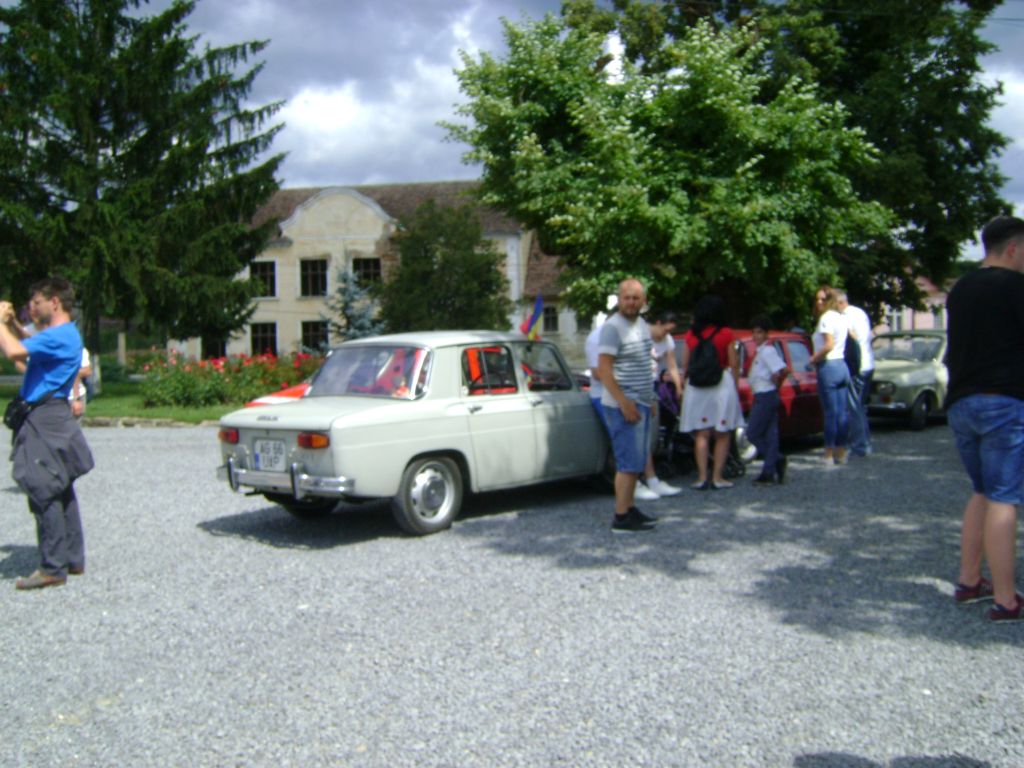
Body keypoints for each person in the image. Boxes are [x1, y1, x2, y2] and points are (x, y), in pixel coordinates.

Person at [945, 215, 1024, 622]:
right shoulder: (1017, 288)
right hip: (1003, 403)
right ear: (1012, 248)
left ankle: (969, 580)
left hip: (961, 403)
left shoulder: (960, 289)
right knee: (1004, 496)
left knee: (981, 490)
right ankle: (1007, 600)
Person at [0, 277, 94, 590]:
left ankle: (53, 567)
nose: (32, 306)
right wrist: (12, 324)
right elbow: (27, 342)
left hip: (44, 416)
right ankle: (72, 558)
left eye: (37, 301)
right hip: (54, 412)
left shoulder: (59, 335)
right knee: (60, 484)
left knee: (42, 486)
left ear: (54, 302)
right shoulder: (62, 335)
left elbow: (15, 353)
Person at [597, 279, 658, 532]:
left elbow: (644, 362)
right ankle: (621, 518)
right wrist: (623, 402)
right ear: (619, 299)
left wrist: (651, 397)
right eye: (627, 298)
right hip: (624, 404)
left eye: (636, 298)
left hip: (641, 401)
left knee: (638, 460)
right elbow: (604, 369)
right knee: (628, 463)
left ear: (643, 300)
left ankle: (629, 507)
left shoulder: (641, 323)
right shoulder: (613, 328)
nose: (631, 302)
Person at [678, 295, 744, 490]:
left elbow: (686, 364)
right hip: (721, 385)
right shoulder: (726, 334)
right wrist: (736, 384)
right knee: (722, 434)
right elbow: (733, 363)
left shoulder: (691, 335)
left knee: (702, 433)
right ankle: (717, 477)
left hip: (697, 387)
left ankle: (701, 477)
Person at [640, 310, 683, 498]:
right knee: (640, 432)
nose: (666, 335)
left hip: (653, 384)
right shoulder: (641, 335)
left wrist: (679, 388)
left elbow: (672, 365)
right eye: (665, 330)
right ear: (657, 322)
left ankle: (650, 477)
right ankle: (643, 478)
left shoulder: (667, 341)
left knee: (647, 432)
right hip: (639, 385)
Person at [808, 285, 851, 464]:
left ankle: (828, 454)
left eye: (822, 299)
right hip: (842, 365)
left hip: (829, 365)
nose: (819, 302)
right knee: (842, 413)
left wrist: (814, 358)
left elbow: (828, 344)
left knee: (831, 414)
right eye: (817, 299)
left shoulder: (826, 318)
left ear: (829, 301)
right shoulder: (841, 317)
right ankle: (841, 451)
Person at [746, 315, 790, 486]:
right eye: (754, 332)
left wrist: (776, 385)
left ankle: (774, 460)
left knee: (753, 433)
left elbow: (783, 370)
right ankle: (769, 469)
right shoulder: (760, 352)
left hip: (766, 394)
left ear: (766, 334)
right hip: (763, 394)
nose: (756, 336)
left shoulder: (767, 351)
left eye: (759, 332)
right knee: (770, 435)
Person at [837, 290, 874, 457]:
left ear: (839, 303)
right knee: (860, 407)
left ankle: (860, 445)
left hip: (857, 366)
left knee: (854, 407)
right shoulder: (860, 312)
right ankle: (864, 442)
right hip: (869, 364)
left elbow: (853, 338)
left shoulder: (845, 316)